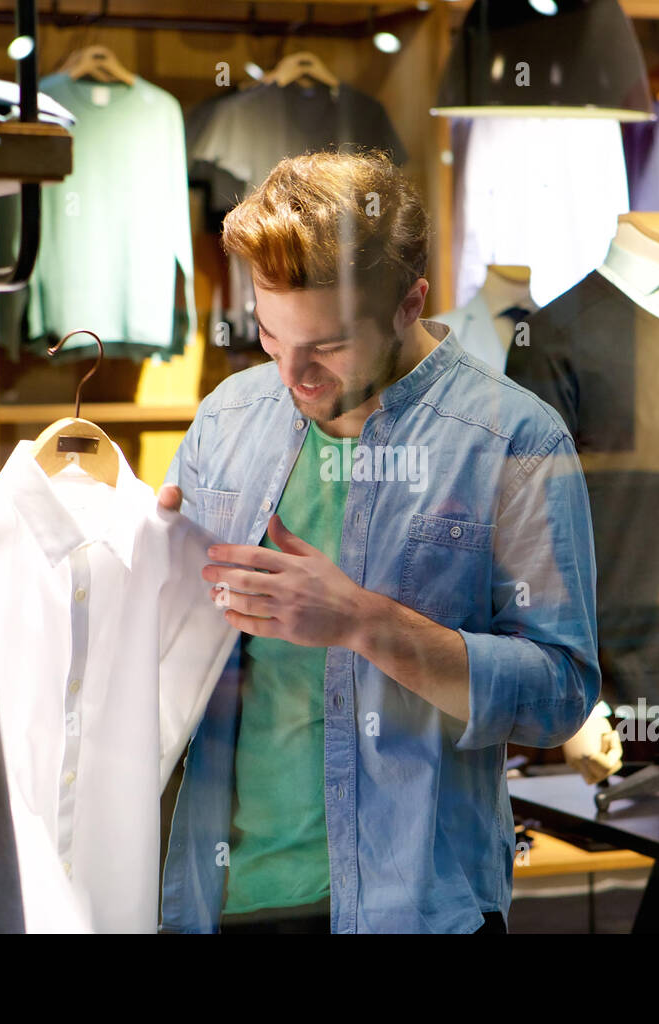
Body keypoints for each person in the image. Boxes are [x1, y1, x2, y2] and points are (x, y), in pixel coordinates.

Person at [157, 150, 599, 934]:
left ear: (409, 303)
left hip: (417, 910)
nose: (293, 375)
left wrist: (364, 623)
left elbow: (558, 695)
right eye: (270, 335)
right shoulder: (226, 419)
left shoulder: (514, 440)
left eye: (327, 346)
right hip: (223, 901)